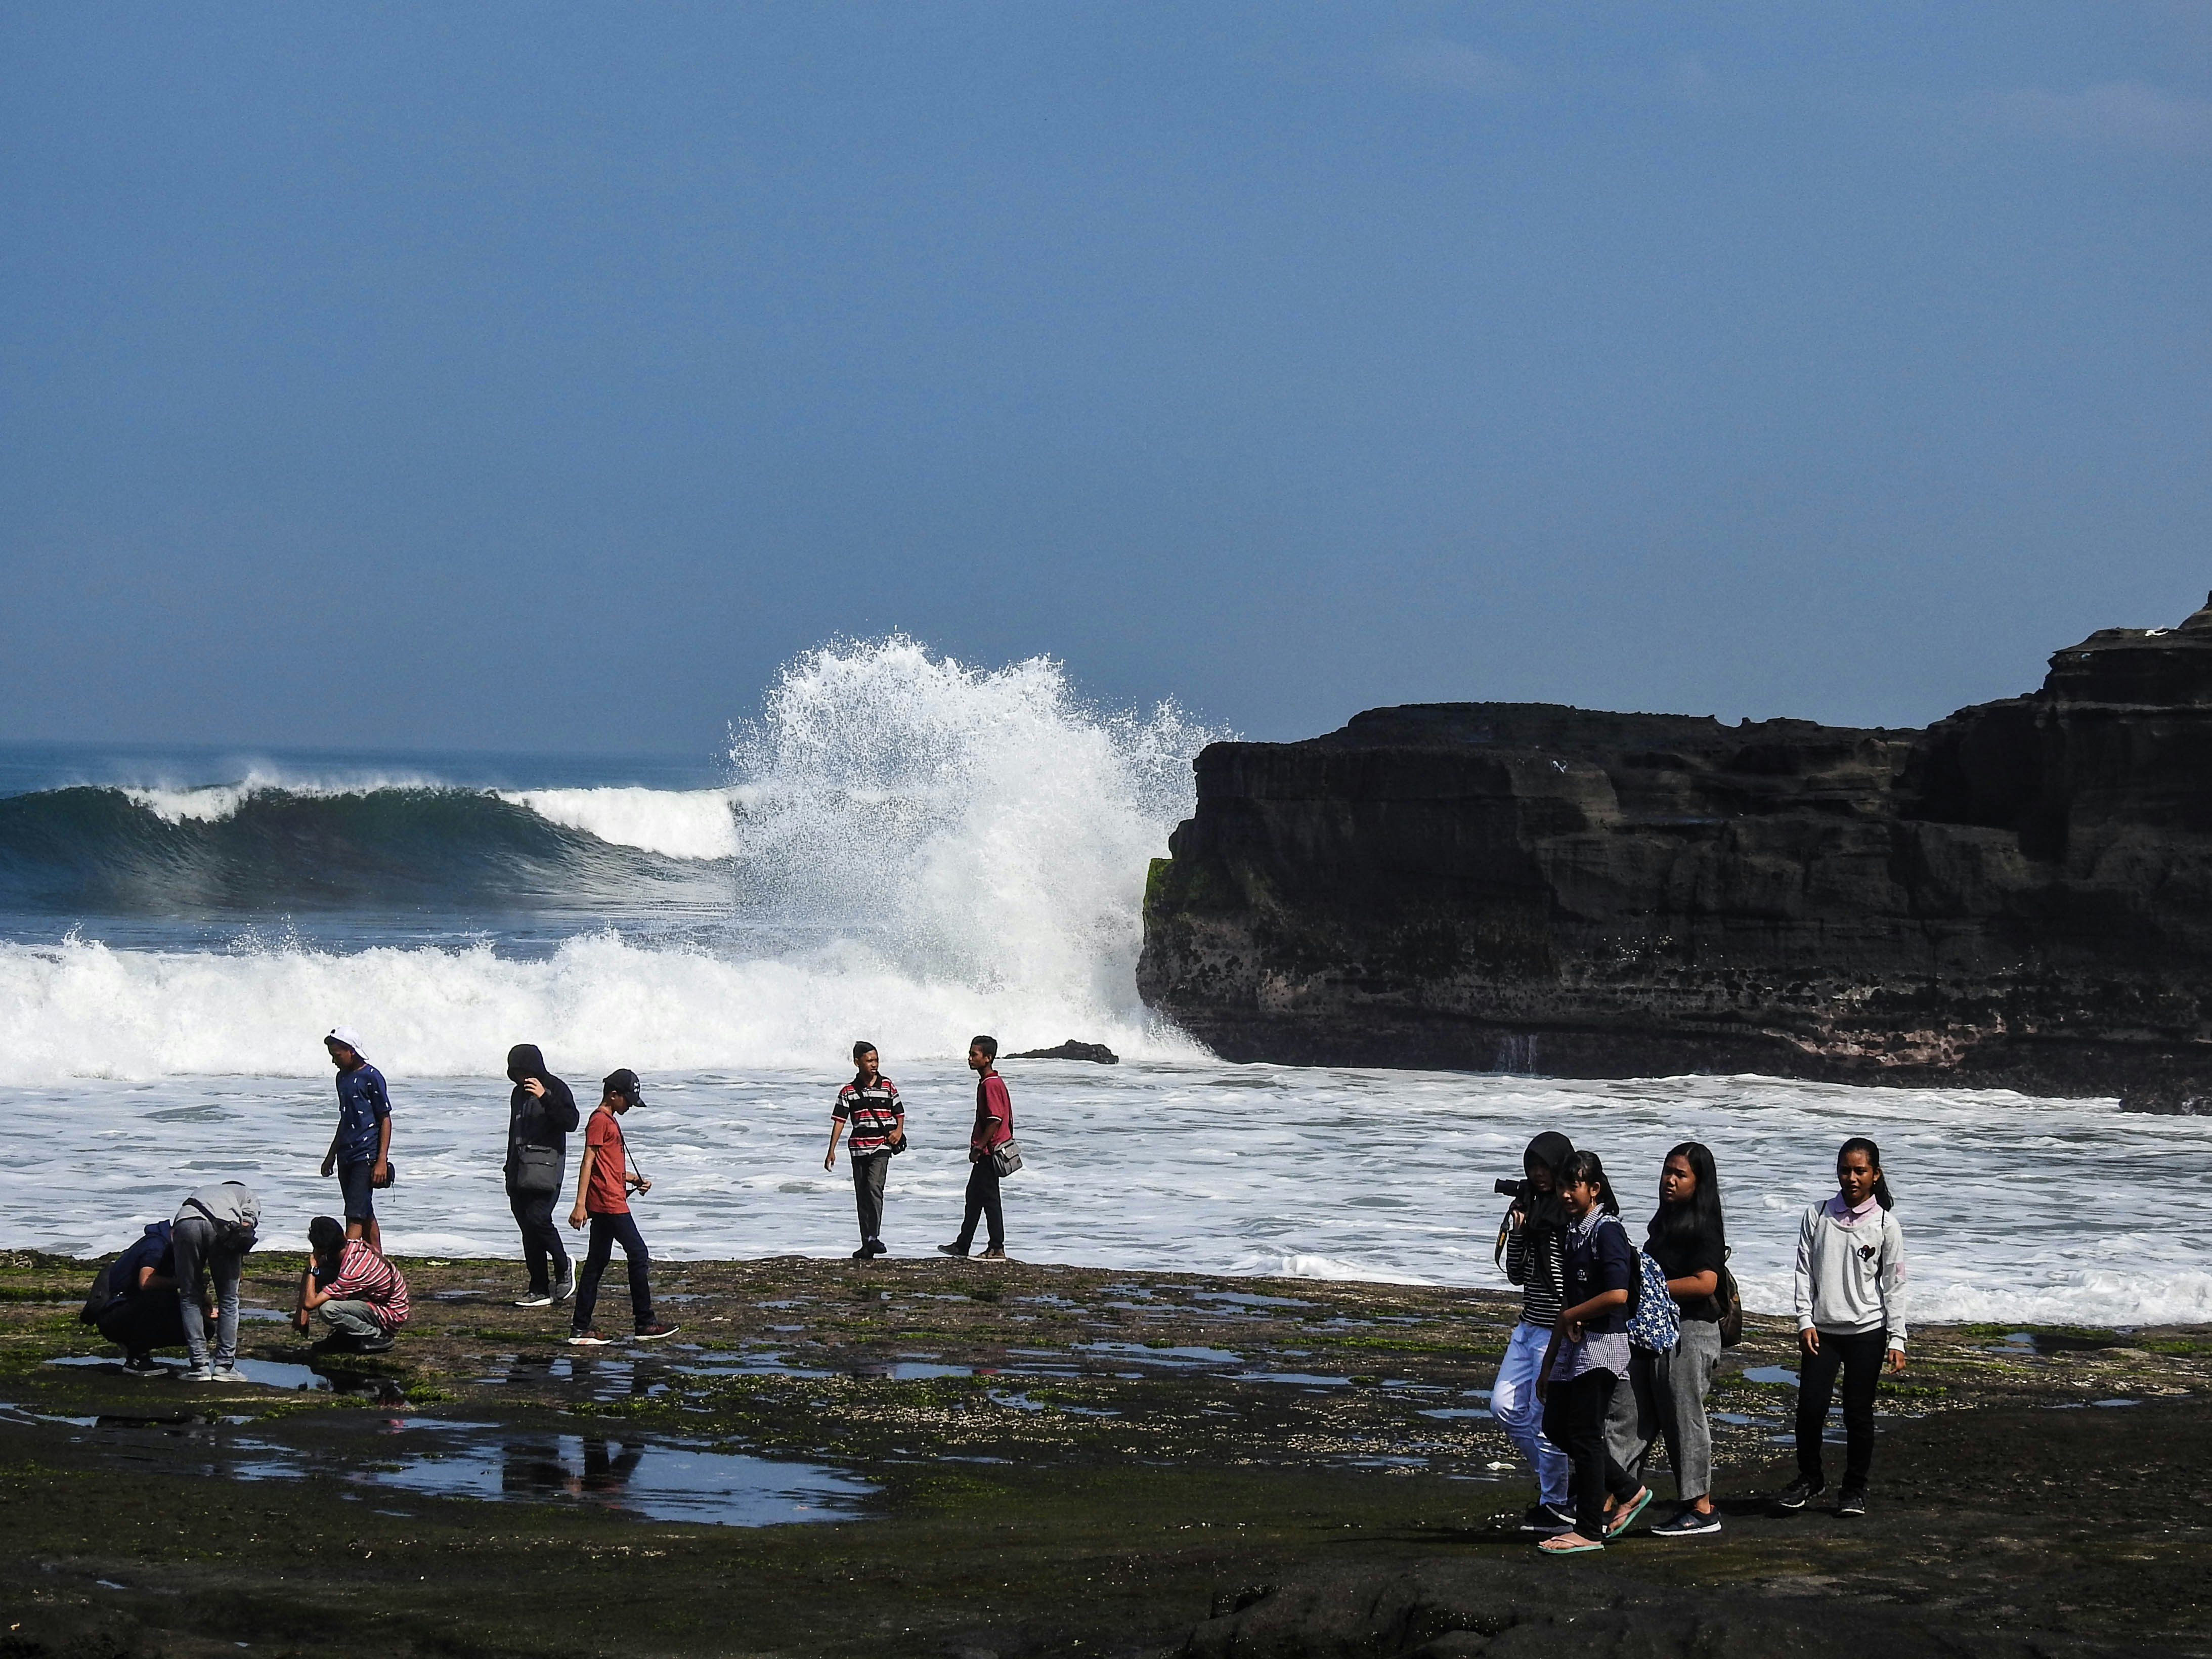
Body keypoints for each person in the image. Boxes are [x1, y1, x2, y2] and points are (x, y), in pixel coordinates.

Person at [1777, 1136, 1907, 1518]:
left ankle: (1853, 1490)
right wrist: (1804, 1320)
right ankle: (1809, 1477)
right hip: (1822, 1330)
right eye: (1845, 1170)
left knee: (1857, 1413)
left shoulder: (1885, 1225)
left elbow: (1894, 1287)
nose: (1851, 1178)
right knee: (1810, 1408)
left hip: (1867, 1331)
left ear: (1874, 1175)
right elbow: (1803, 1272)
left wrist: (1897, 1339)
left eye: (1859, 1171)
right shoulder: (1817, 1215)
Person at [1604, 1142, 1728, 1537]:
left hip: (1691, 1332)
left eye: (1681, 1174)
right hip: (1654, 1330)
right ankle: (1612, 1496)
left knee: (1681, 1416)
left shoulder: (1704, 1222)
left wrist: (1649, 1286)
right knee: (1627, 1412)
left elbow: (1706, 1282)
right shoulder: (1665, 1221)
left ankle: (1700, 1508)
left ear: (1699, 1182)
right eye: (1667, 1171)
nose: (1670, 1181)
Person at [1534, 1151, 1649, 1555]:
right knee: (1556, 1427)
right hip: (1575, 1345)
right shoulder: (1572, 1232)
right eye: (1562, 1186)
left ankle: (1588, 1530)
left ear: (1594, 1189)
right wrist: (1547, 1365)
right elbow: (1567, 1303)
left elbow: (1617, 1296)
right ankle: (1628, 1490)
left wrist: (1574, 1315)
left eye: (1573, 1186)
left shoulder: (1606, 1230)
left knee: (1583, 1433)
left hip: (1604, 1346)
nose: (1565, 1193)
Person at [1493, 1130, 1576, 1534]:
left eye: (1546, 1166)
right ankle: (1558, 1489)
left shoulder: (1570, 1215)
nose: (1539, 1174)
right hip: (1528, 1326)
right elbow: (1513, 1275)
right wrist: (1520, 1231)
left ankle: (1555, 1504)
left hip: (1556, 1333)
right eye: (1533, 1167)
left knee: (1546, 1426)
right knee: (1504, 1408)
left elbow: (1572, 1281)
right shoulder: (1530, 1211)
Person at [566, 1069, 679, 1345]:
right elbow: (587, 1163)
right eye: (627, 1100)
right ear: (613, 1095)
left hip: (608, 1198)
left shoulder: (608, 1121)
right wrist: (579, 1205)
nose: (629, 1105)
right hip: (609, 1203)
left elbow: (607, 1166)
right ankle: (645, 1323)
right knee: (639, 1255)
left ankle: (581, 1328)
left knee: (596, 1263)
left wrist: (632, 1178)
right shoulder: (600, 1121)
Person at [504, 1043, 580, 1307]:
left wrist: (545, 1096)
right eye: (515, 1073)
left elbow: (571, 1122)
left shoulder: (557, 1088)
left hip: (546, 1170)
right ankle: (538, 1287)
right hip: (518, 1170)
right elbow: (514, 1134)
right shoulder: (517, 1095)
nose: (521, 1078)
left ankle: (563, 1265)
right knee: (527, 1228)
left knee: (539, 1219)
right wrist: (508, 1169)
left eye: (524, 1072)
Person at [170, 1181, 259, 1383]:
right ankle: (224, 1366)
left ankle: (199, 1366)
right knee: (228, 1299)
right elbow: (246, 1226)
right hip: (223, 1226)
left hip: (186, 1223)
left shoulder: (205, 1189)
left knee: (189, 1296)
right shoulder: (248, 1193)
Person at [825, 1041, 905, 1259]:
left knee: (873, 1188)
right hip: (858, 1148)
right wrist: (832, 1150)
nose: (874, 1065)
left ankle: (874, 1237)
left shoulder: (887, 1086)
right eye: (870, 1060)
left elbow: (899, 1112)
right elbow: (839, 1121)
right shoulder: (848, 1092)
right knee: (862, 1196)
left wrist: (898, 1131)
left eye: (876, 1060)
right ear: (857, 1062)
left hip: (881, 1147)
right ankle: (866, 1243)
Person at [79, 1220, 188, 1375]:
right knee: (159, 1297)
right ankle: (137, 1358)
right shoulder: (156, 1246)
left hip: (130, 1309)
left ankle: (138, 1349)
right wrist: (185, 1283)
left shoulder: (174, 1247)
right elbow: (146, 1282)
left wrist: (203, 1302)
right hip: (113, 1316)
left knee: (205, 1325)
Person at [319, 1026, 393, 1252]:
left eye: (337, 1055)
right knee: (363, 1209)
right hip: (346, 1153)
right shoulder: (342, 1078)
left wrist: (381, 1160)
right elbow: (346, 1118)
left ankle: (349, 1263)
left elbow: (385, 1119)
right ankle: (379, 1259)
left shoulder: (372, 1077)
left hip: (366, 1154)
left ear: (351, 1051)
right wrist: (331, 1155)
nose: (334, 1061)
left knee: (355, 1214)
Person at [938, 1035, 1011, 1260]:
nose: (969, 1058)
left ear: (988, 1058)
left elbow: (995, 1119)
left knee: (988, 1200)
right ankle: (963, 1245)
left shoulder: (990, 1084)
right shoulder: (991, 1082)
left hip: (990, 1153)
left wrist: (979, 1147)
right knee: (975, 1198)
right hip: (991, 1151)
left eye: (974, 1055)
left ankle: (996, 1247)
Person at [292, 1215, 410, 1353]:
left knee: (328, 1309)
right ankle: (346, 1336)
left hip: (391, 1314)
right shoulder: (352, 1246)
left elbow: (310, 1303)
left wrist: (313, 1266)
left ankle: (377, 1337)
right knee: (323, 1275)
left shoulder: (351, 1272)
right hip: (378, 1301)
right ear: (343, 1234)